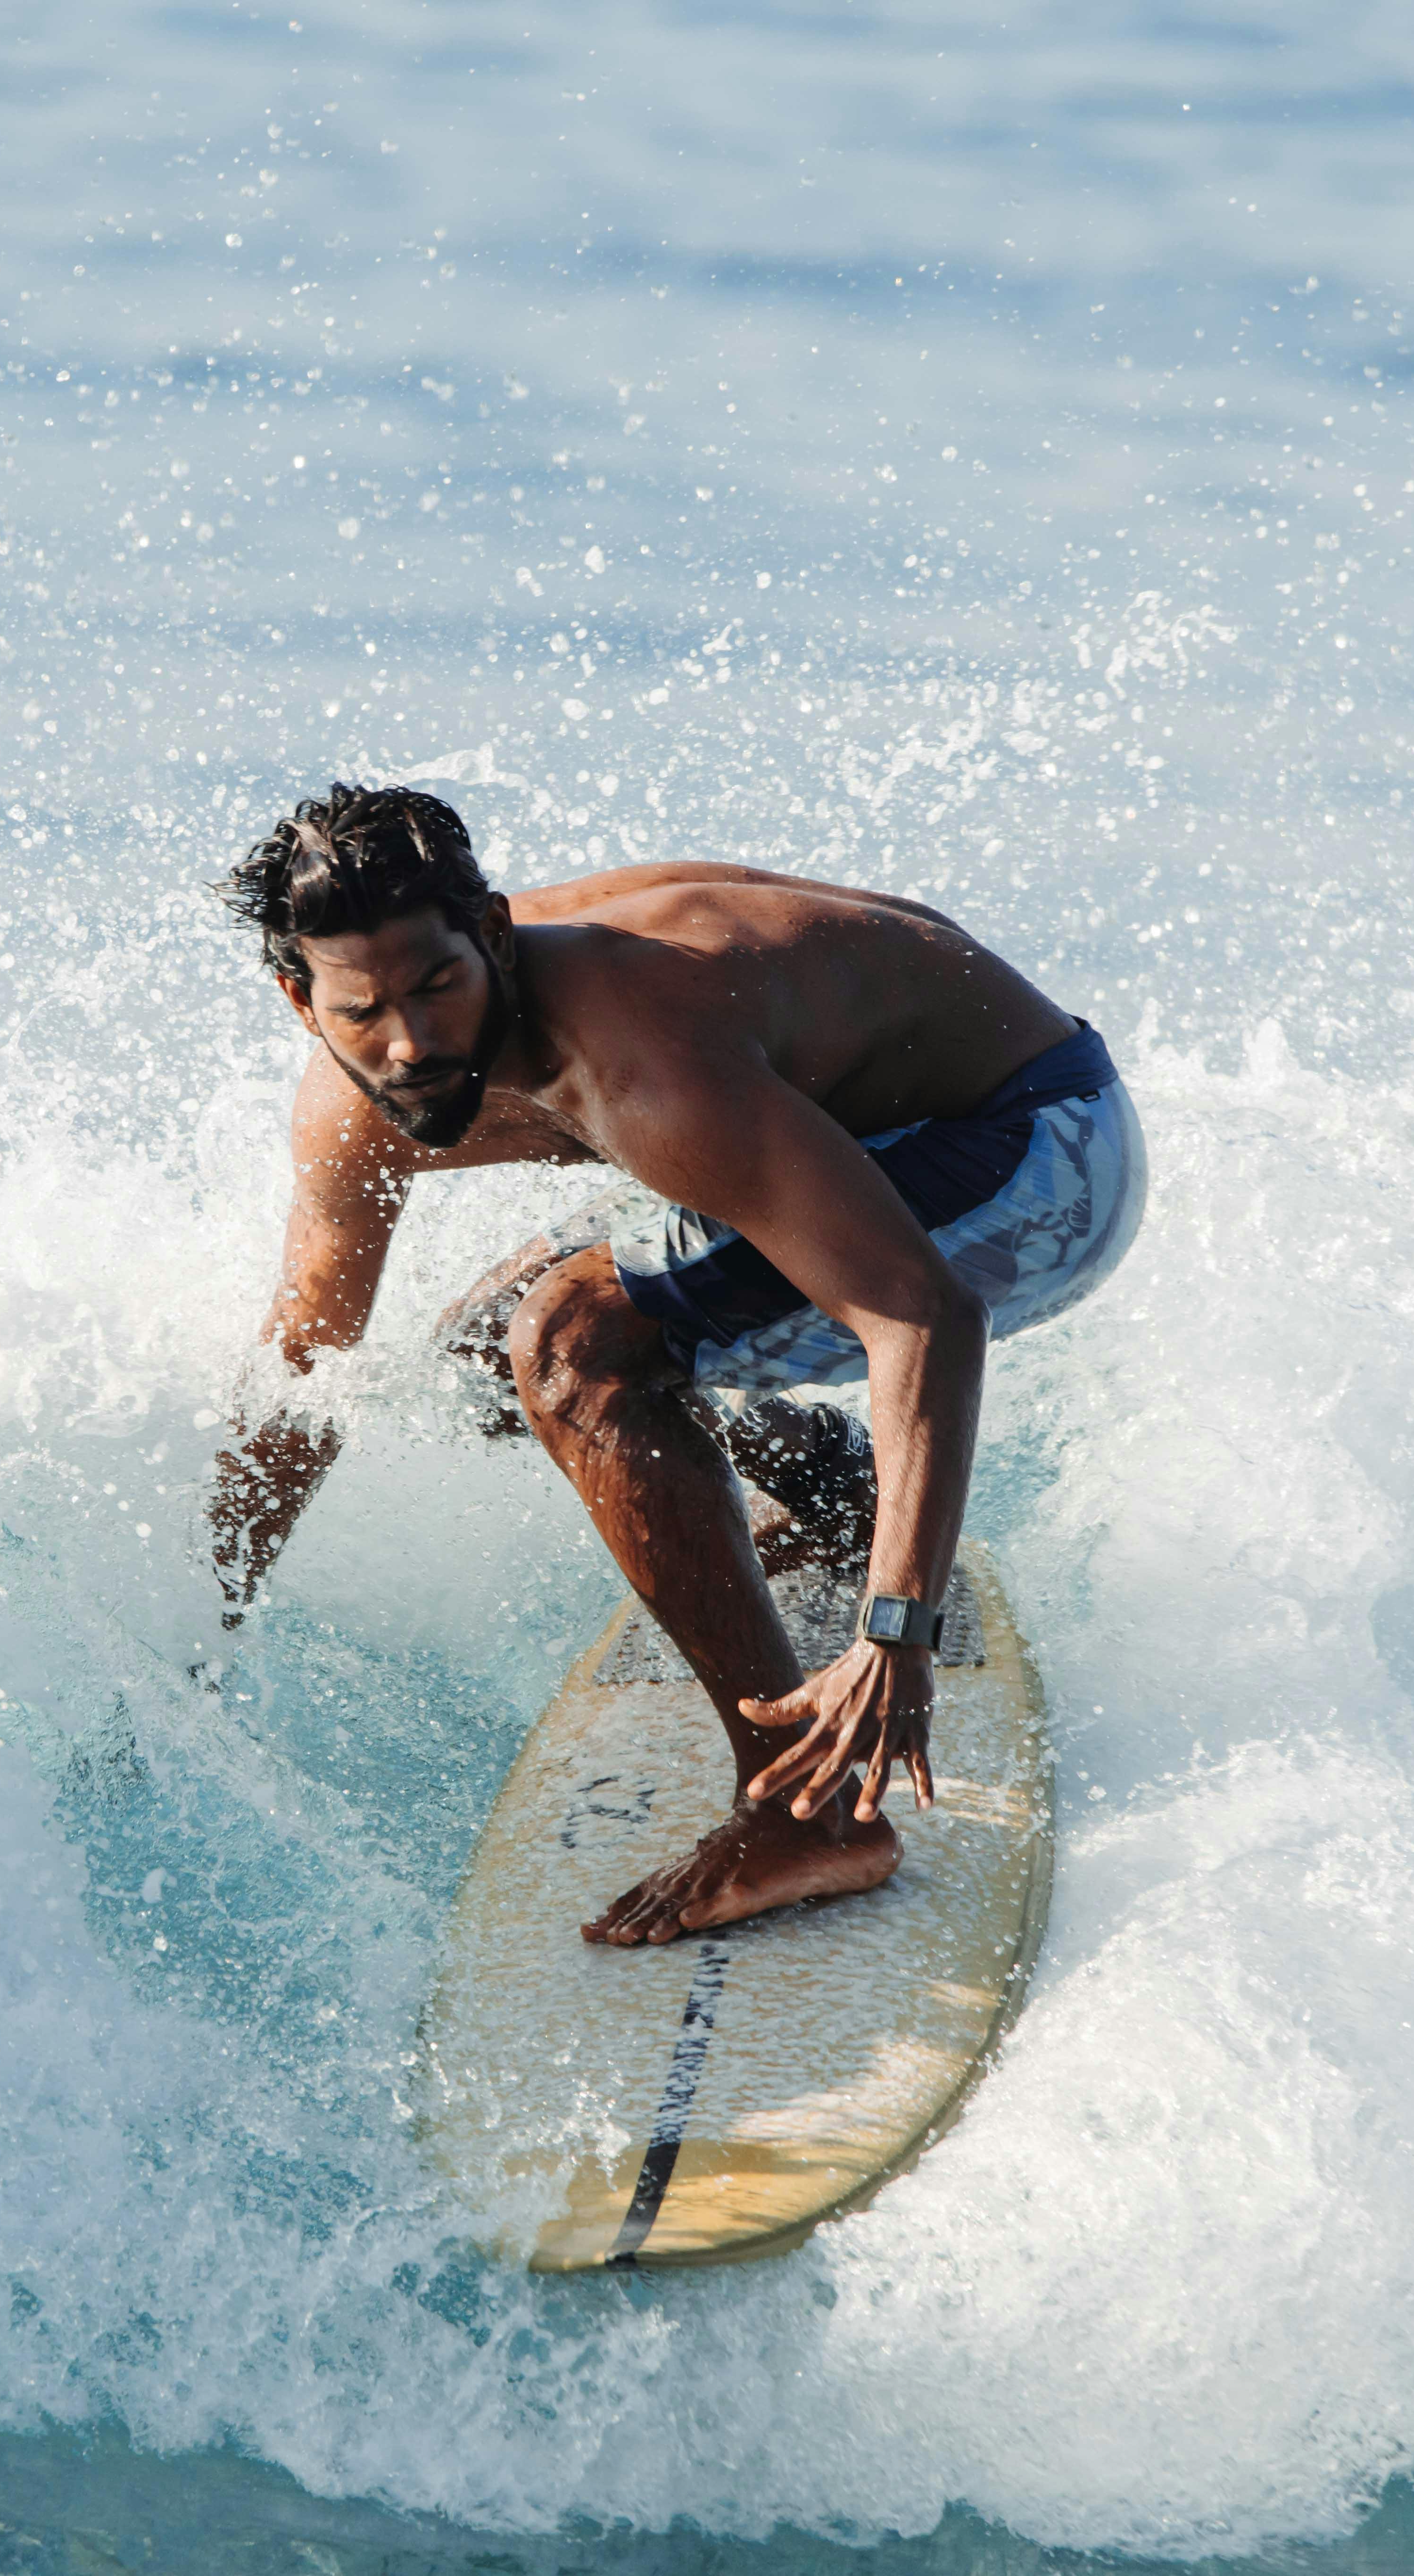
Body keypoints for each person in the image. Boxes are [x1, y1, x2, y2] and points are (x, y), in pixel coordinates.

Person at [203, 782, 1148, 1945]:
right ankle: (838, 1488)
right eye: (363, 1011)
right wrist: (211, 1621)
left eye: (439, 988)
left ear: (494, 934)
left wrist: (894, 1630)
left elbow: (923, 1316)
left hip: (1041, 1156)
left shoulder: (640, 1056)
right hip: (859, 1120)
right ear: (302, 1001)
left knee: (568, 1348)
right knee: (471, 1361)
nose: (410, 1042)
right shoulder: (357, 1103)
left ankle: (808, 1808)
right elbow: (302, 1372)